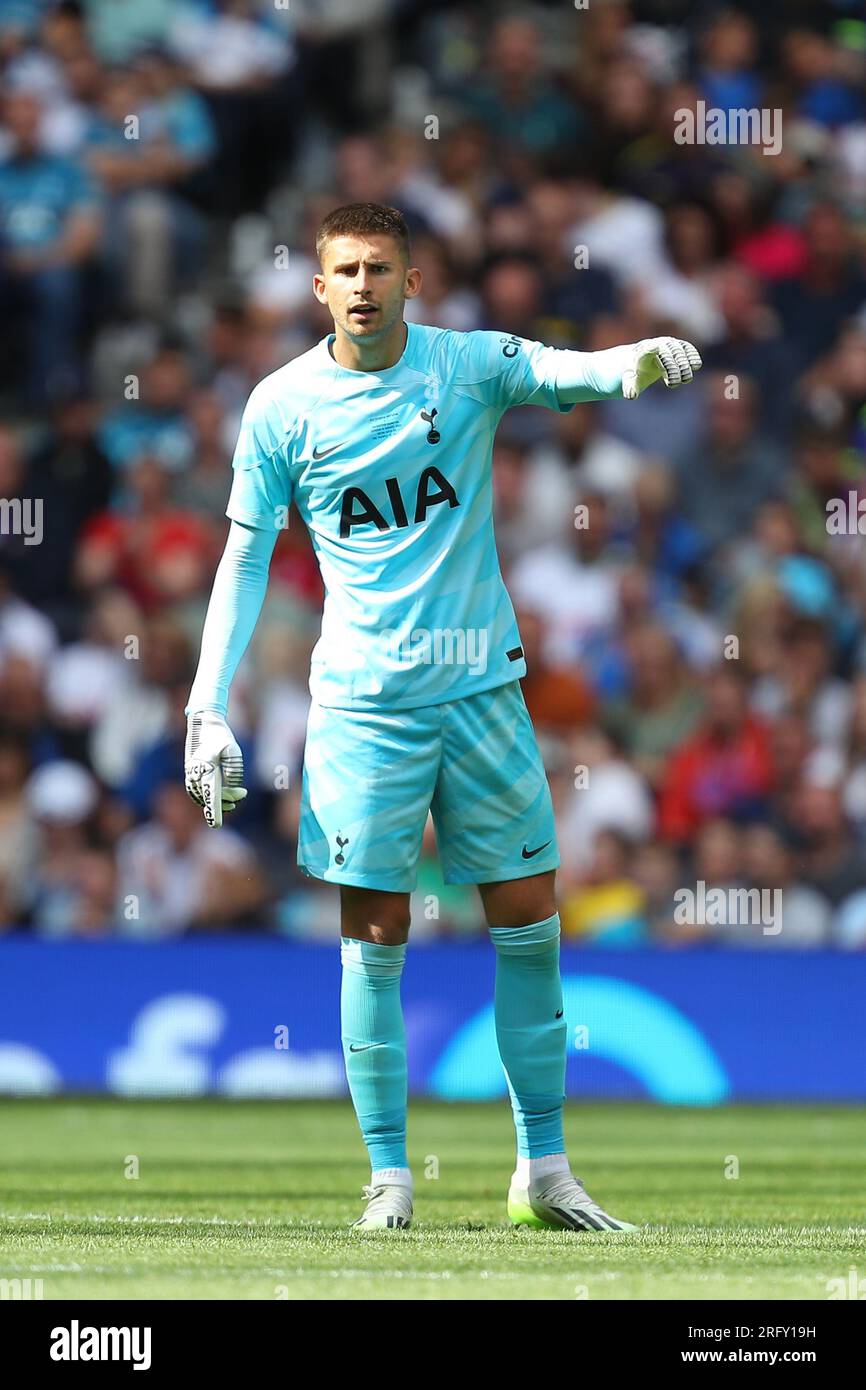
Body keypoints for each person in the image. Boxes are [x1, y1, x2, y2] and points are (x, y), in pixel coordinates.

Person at [183, 201, 701, 1233]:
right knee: (373, 935)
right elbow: (242, 560)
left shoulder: (462, 364)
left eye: (381, 267)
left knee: (528, 925)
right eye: (345, 270)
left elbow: (561, 370)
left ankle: (542, 1170)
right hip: (364, 706)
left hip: (479, 694)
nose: (364, 285)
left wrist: (632, 359)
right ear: (318, 286)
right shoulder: (282, 407)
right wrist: (206, 704)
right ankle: (388, 1177)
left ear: (411, 280)